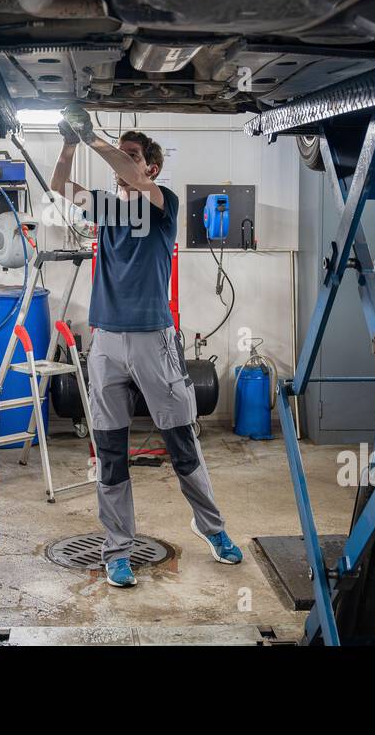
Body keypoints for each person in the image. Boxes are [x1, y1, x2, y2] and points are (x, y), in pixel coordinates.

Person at [49, 104, 242, 588]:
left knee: (182, 443)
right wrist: (70, 143)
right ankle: (118, 550)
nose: (120, 164)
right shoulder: (108, 208)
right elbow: (59, 187)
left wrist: (94, 139)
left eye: (131, 156)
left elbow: (125, 170)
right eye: (120, 154)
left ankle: (212, 528)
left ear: (150, 167)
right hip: (107, 341)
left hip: (155, 341)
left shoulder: (163, 203)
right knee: (111, 450)